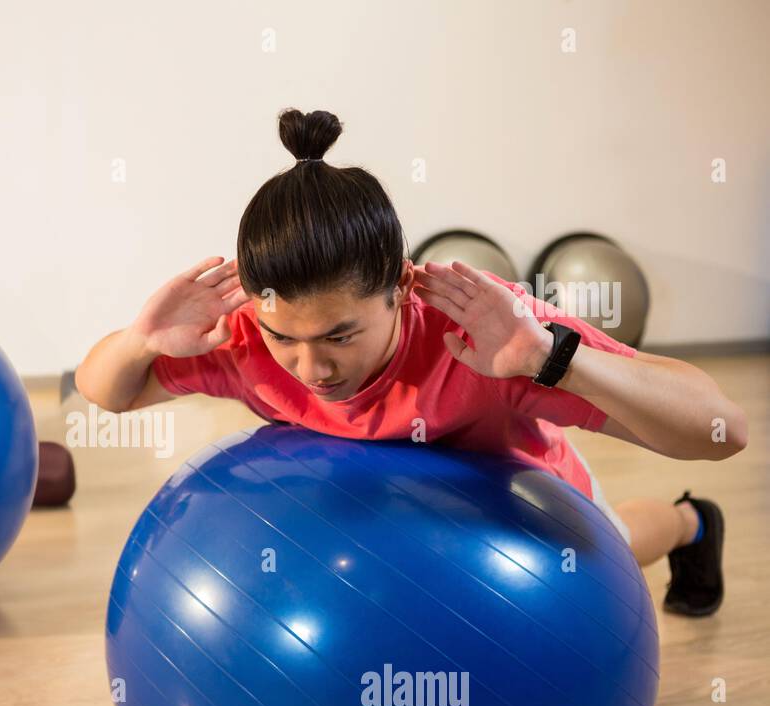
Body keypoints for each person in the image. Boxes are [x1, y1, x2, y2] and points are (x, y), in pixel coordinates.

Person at [75, 108, 748, 616]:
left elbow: (721, 430)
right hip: (376, 544)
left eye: (341, 335)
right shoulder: (246, 339)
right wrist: (141, 340)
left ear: (400, 286)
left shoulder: (484, 333)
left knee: (618, 547)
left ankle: (691, 523)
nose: (311, 369)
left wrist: (549, 360)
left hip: (522, 523)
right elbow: (105, 392)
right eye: (287, 339)